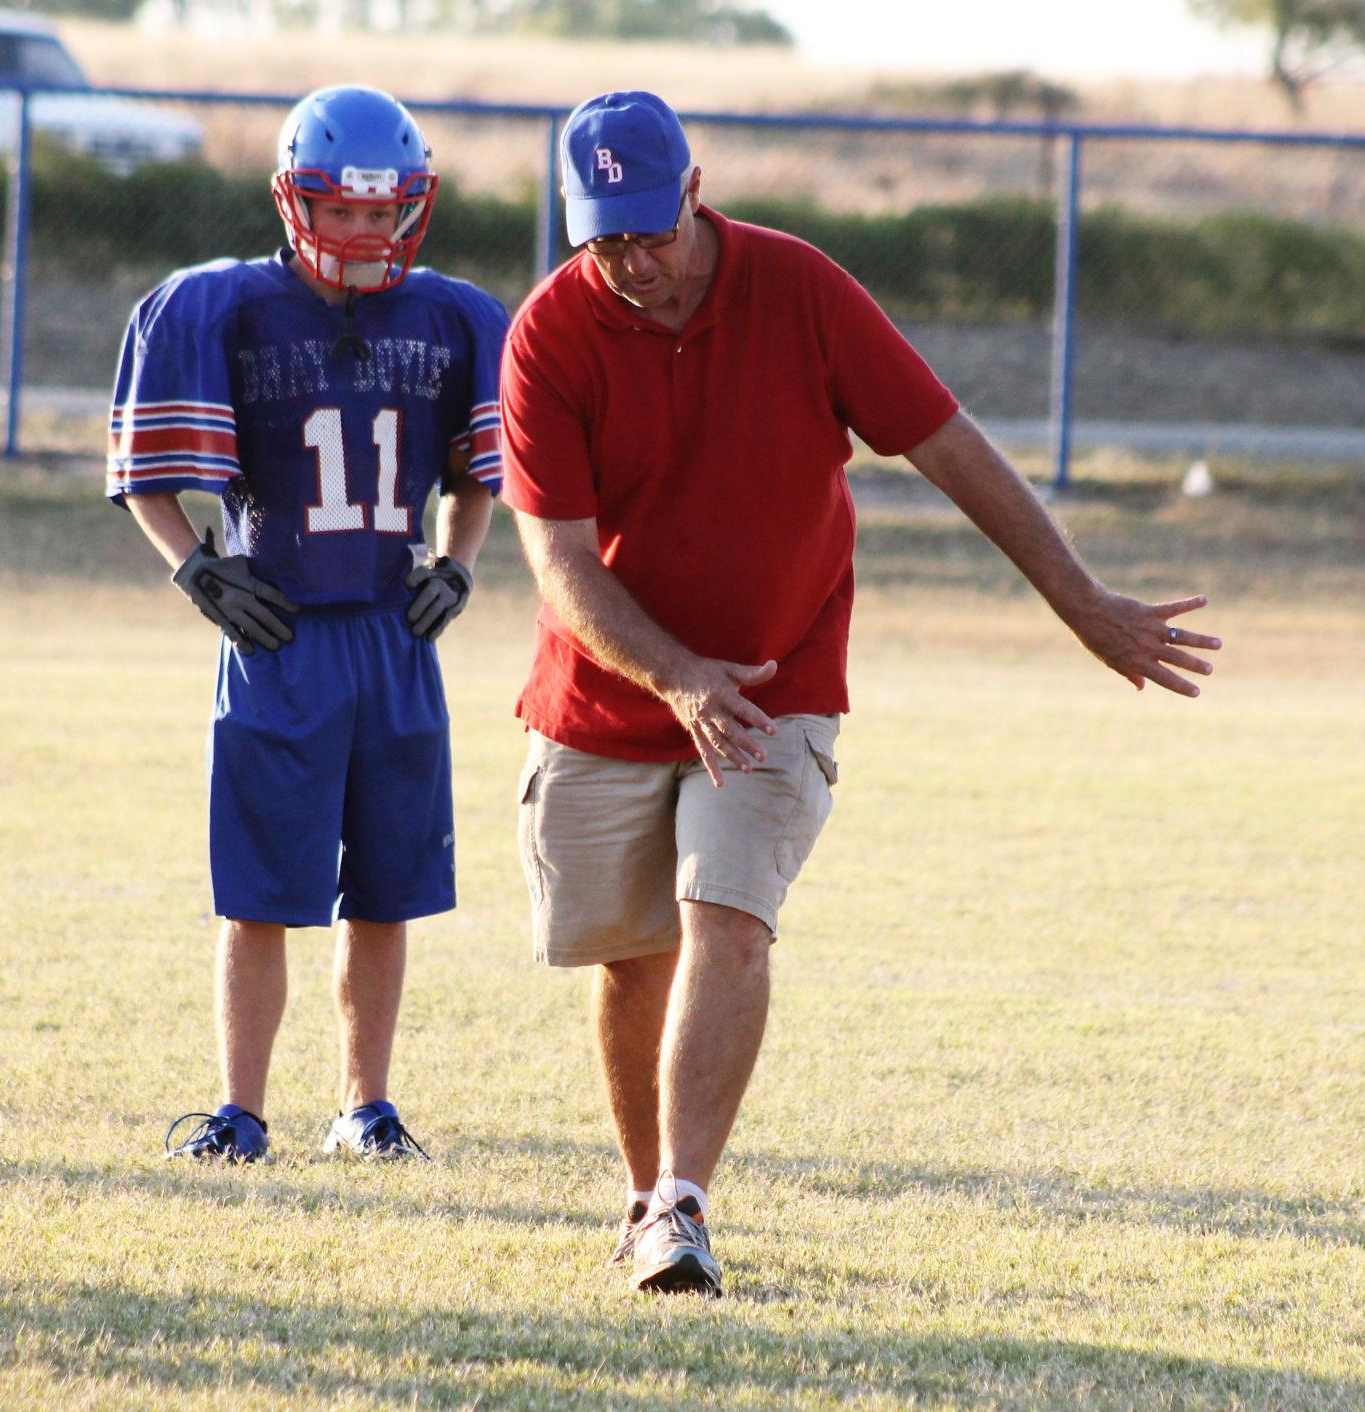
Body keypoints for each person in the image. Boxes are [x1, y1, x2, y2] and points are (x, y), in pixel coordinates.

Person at [499, 90, 1221, 1296]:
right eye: (602, 239)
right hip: (611, 691)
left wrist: (1079, 599)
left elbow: (945, 445)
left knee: (725, 917)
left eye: (649, 231)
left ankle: (680, 1203)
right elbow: (557, 557)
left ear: (693, 192)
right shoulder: (548, 333)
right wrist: (674, 675)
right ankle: (642, 1195)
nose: (631, 262)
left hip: (774, 680)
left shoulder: (800, 290)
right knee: (631, 955)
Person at [106, 85, 508, 1165]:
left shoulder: (451, 317)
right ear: (296, 202)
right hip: (276, 636)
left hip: (390, 631)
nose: (364, 231)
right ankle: (240, 1109)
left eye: (382, 211)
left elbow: (477, 472)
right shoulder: (225, 307)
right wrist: (195, 568)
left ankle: (365, 1106)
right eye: (342, 209)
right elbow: (146, 474)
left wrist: (458, 566)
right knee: (259, 894)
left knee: (385, 890)